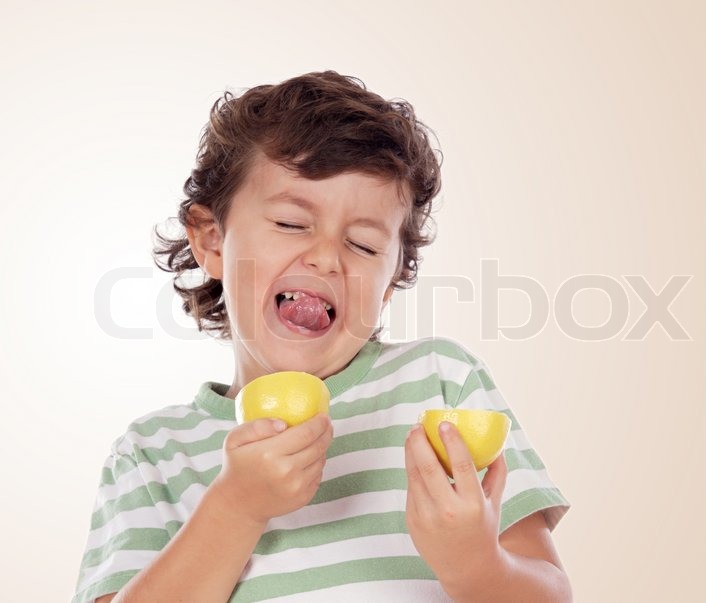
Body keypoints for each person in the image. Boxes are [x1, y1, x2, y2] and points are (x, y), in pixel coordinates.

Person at [73, 71, 572, 602]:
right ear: (212, 240)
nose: (326, 257)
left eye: (362, 244)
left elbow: (550, 593)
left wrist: (474, 563)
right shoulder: (152, 453)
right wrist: (236, 507)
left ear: (389, 285)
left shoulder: (440, 383)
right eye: (291, 224)